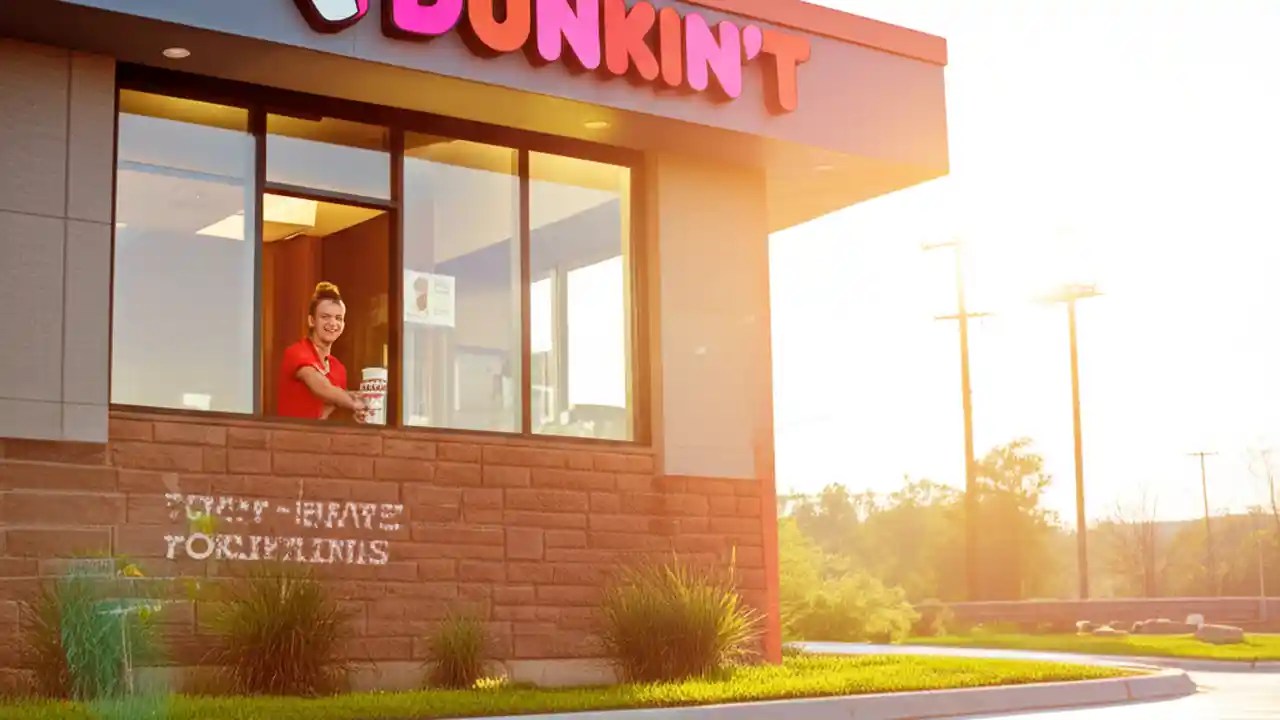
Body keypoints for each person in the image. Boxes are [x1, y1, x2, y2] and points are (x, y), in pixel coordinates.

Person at [278, 281, 367, 421]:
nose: (333, 323)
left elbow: (329, 410)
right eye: (325, 317)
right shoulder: (297, 352)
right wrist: (353, 402)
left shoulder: (339, 368)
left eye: (338, 318)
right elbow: (322, 388)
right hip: (291, 438)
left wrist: (359, 405)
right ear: (312, 321)